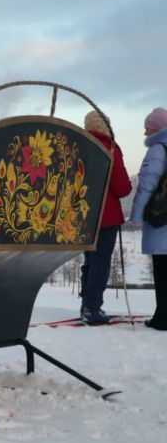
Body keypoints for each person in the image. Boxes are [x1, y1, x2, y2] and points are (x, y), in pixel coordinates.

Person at [79, 111, 132, 324]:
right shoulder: (109, 148)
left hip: (81, 215)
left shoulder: (78, 147)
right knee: (101, 262)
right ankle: (92, 308)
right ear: (106, 126)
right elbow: (121, 187)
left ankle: (85, 304)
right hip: (106, 216)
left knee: (89, 261)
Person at [130, 107, 167, 330]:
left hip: (161, 218)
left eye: (148, 127)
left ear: (158, 128)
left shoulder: (157, 149)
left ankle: (162, 319)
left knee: (162, 271)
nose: (145, 133)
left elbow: (147, 184)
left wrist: (136, 214)